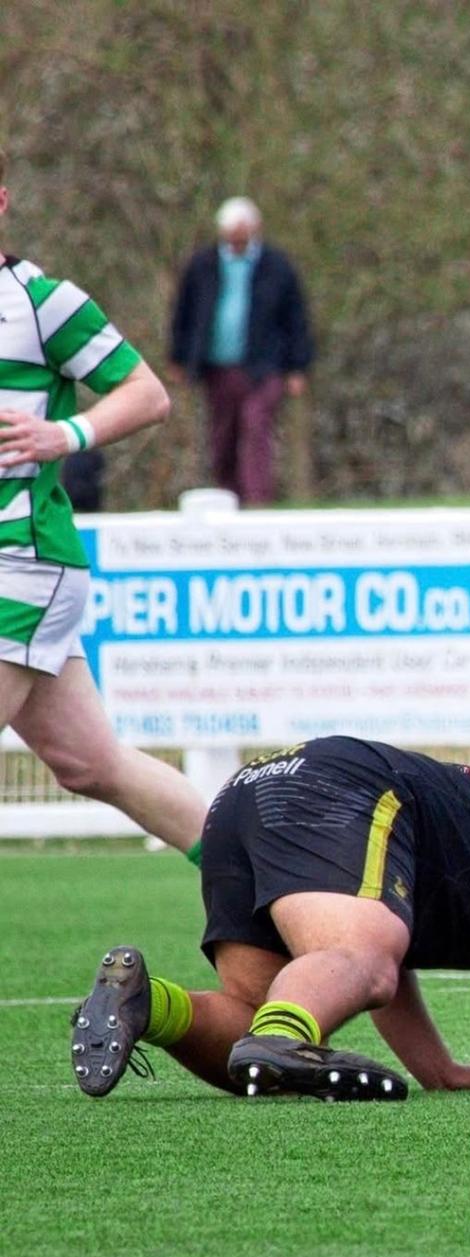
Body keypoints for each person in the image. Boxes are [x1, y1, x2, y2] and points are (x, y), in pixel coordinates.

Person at [69, 736, 470, 1100]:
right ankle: (285, 1033)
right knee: (355, 966)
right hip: (342, 787)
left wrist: (437, 1068)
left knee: (255, 1008)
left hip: (247, 794)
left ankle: (147, 1005)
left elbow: (388, 949)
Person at [0, 147, 208, 858]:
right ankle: (275, 884)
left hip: (21, 564)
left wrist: (65, 432)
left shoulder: (42, 304)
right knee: (92, 762)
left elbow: (147, 394)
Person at [168, 196, 314, 505]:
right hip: (217, 367)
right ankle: (229, 497)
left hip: (264, 367)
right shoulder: (202, 265)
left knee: (256, 425)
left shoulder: (276, 266)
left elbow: (295, 318)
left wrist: (297, 367)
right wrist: (179, 357)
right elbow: (184, 313)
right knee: (223, 434)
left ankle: (257, 498)